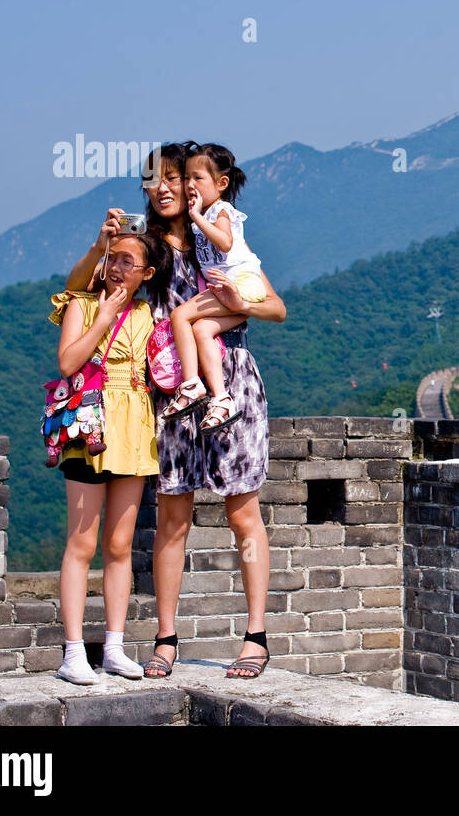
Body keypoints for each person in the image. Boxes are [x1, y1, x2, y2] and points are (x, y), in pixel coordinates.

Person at [62, 141, 285, 680]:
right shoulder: (142, 248)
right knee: (171, 517)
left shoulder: (222, 243)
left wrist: (238, 303)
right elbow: (75, 292)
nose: (162, 188)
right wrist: (102, 246)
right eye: (152, 180)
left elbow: (276, 308)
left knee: (242, 513)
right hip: (170, 391)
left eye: (172, 178)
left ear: (194, 184)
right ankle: (166, 639)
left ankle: (255, 637)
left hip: (232, 379)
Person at [50, 231, 163, 685]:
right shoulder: (81, 304)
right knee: (82, 543)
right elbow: (67, 363)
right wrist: (104, 317)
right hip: (90, 427)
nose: (117, 268)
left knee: (119, 548)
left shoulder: (148, 312)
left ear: (146, 274)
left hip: (135, 428)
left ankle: (115, 646)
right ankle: (74, 651)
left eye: (128, 262)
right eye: (113, 258)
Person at [160, 143, 268, 433]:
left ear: (221, 184)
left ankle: (191, 384)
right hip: (238, 291)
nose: (190, 185)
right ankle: (221, 399)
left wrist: (196, 216)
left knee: (180, 316)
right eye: (187, 178)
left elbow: (225, 242)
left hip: (240, 284)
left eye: (198, 178)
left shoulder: (220, 210)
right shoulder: (205, 215)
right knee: (202, 329)